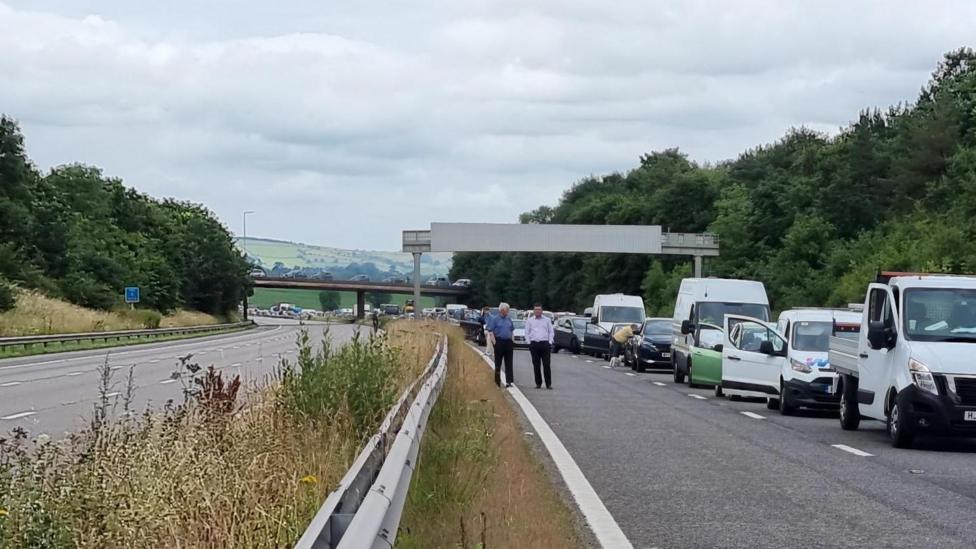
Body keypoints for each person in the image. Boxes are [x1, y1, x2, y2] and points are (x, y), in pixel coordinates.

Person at [525, 303, 555, 389]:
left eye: (539, 309)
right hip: (534, 344)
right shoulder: (530, 320)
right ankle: (538, 383)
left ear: (542, 311)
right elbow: (527, 332)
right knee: (536, 364)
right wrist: (529, 342)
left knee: (546, 364)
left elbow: (551, 331)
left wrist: (550, 341)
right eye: (536, 309)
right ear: (534, 311)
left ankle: (548, 384)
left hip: (545, 343)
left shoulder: (547, 320)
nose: (537, 311)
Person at [486, 302, 515, 387]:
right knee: (498, 363)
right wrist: (495, 343)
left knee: (509, 362)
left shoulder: (509, 319)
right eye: (507, 310)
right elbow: (490, 331)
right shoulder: (495, 319)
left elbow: (512, 330)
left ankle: (509, 381)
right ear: (502, 310)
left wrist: (512, 341)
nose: (508, 311)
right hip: (499, 341)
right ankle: (497, 382)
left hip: (508, 342)